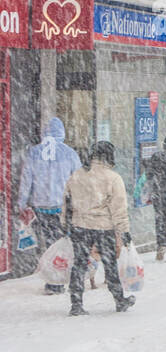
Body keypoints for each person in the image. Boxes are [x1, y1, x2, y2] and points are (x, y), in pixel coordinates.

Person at [63, 141, 135, 315]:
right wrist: (124, 231)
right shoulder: (112, 178)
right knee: (110, 264)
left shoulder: (77, 175)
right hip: (103, 227)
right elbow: (119, 208)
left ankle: (76, 303)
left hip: (80, 226)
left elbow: (66, 201)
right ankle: (119, 300)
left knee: (79, 265)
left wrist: (65, 224)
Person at [16, 117, 82, 294]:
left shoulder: (34, 152)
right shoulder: (69, 153)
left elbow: (26, 180)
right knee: (62, 243)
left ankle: (53, 279)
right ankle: (61, 278)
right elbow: (79, 181)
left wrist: (22, 203)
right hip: (62, 207)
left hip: (41, 207)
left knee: (49, 243)